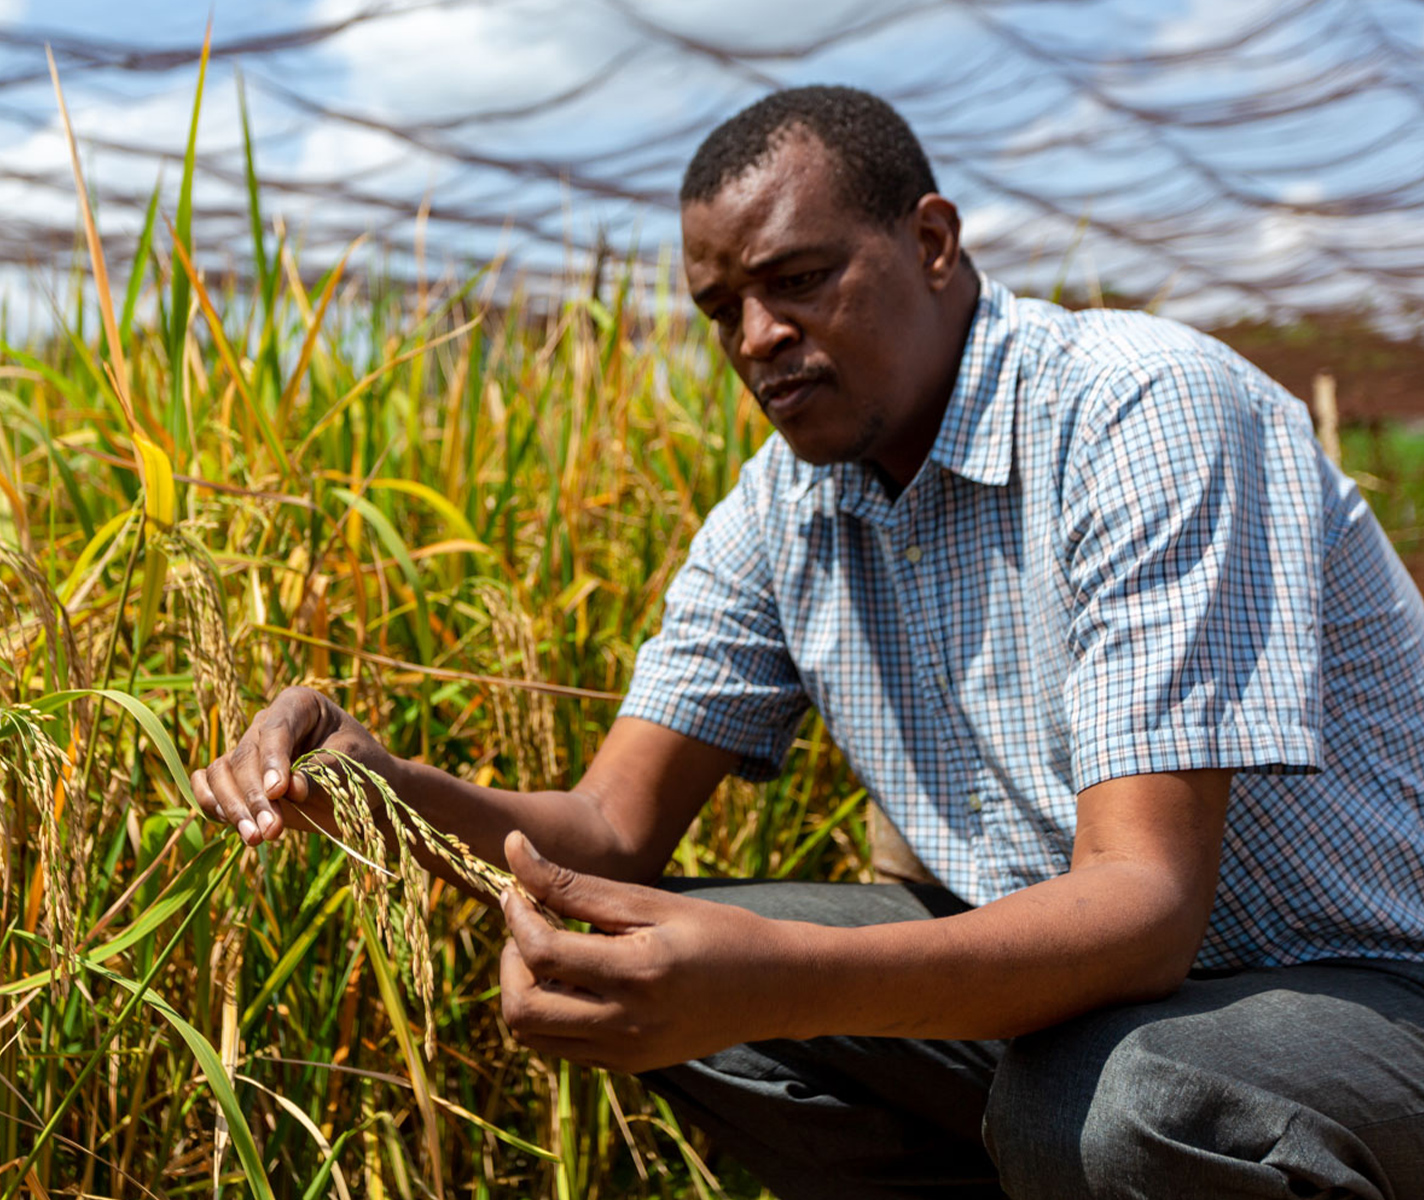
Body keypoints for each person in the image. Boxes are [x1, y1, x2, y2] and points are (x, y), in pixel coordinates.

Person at [189, 86, 1424, 1199]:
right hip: (1090, 998)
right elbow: (611, 830)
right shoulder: (784, 511)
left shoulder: (1137, 414)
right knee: (645, 959)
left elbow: (1147, 905)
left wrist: (775, 970)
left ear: (933, 244)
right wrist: (379, 783)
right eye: (722, 308)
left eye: (797, 280)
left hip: (1357, 984)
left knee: (1123, 1102)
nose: (757, 338)